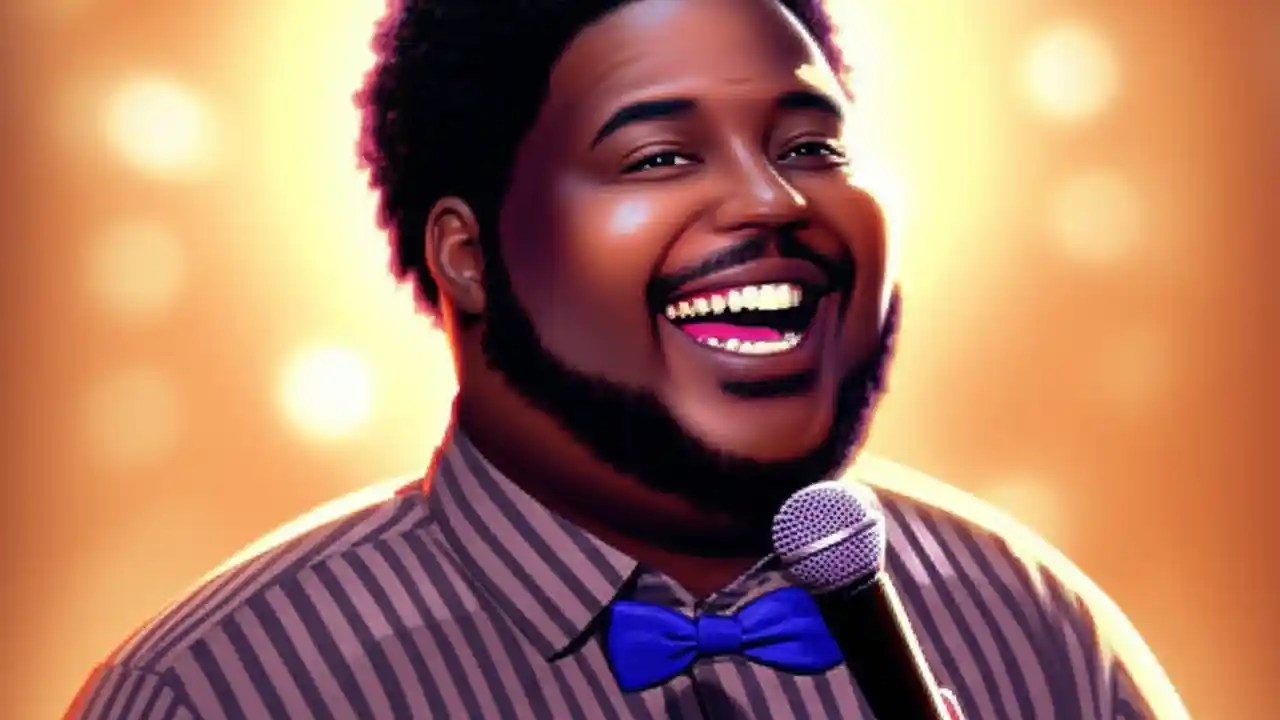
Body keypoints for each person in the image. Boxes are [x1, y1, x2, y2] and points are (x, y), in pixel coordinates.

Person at [66, 0, 1190, 717]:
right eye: (657, 157)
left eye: (810, 145)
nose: (773, 200)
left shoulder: (1027, 621)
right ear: (467, 256)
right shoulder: (219, 690)